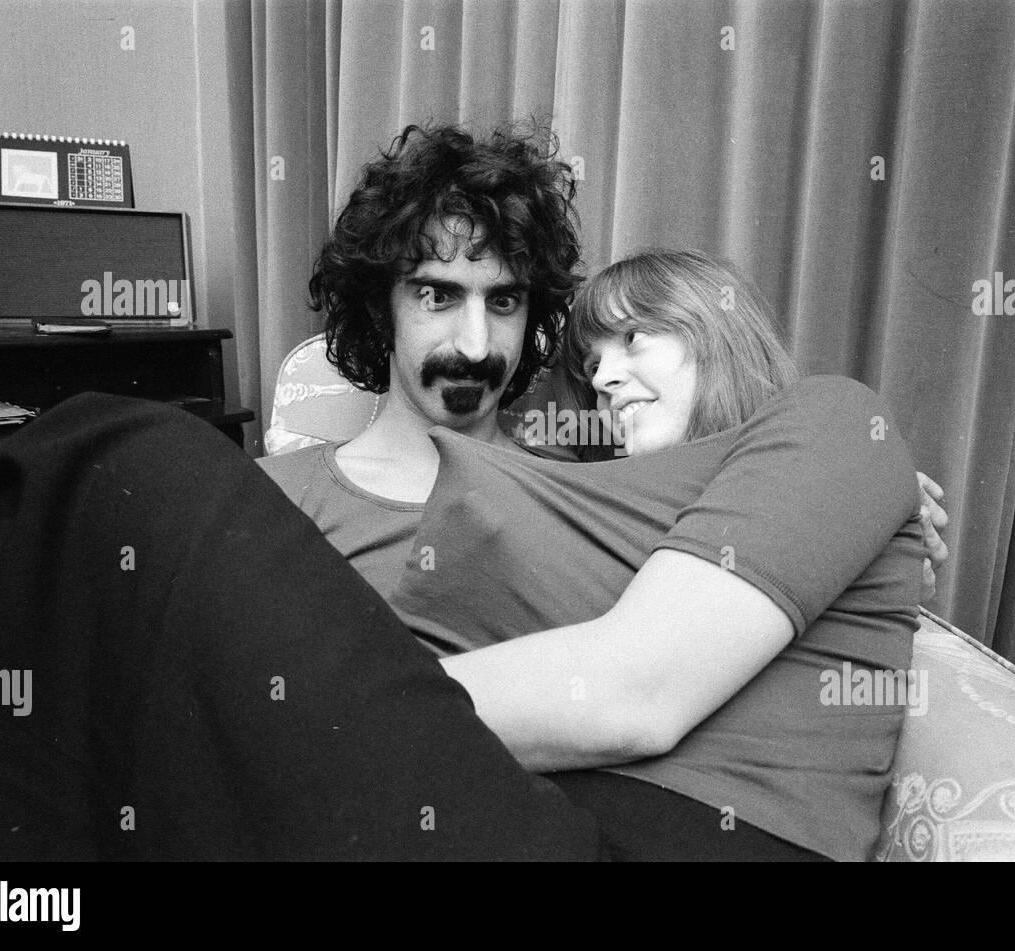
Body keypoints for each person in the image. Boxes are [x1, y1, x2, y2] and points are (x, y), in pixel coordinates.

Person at [258, 122, 949, 602]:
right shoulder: (273, 500)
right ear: (381, 307)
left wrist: (862, 511)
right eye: (438, 295)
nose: (474, 344)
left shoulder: (604, 491)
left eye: (503, 301)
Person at [386, 247, 924, 861]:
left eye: (634, 338)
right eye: (592, 363)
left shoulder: (833, 416)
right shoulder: (624, 518)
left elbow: (635, 696)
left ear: (717, 331)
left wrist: (358, 708)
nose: (603, 380)